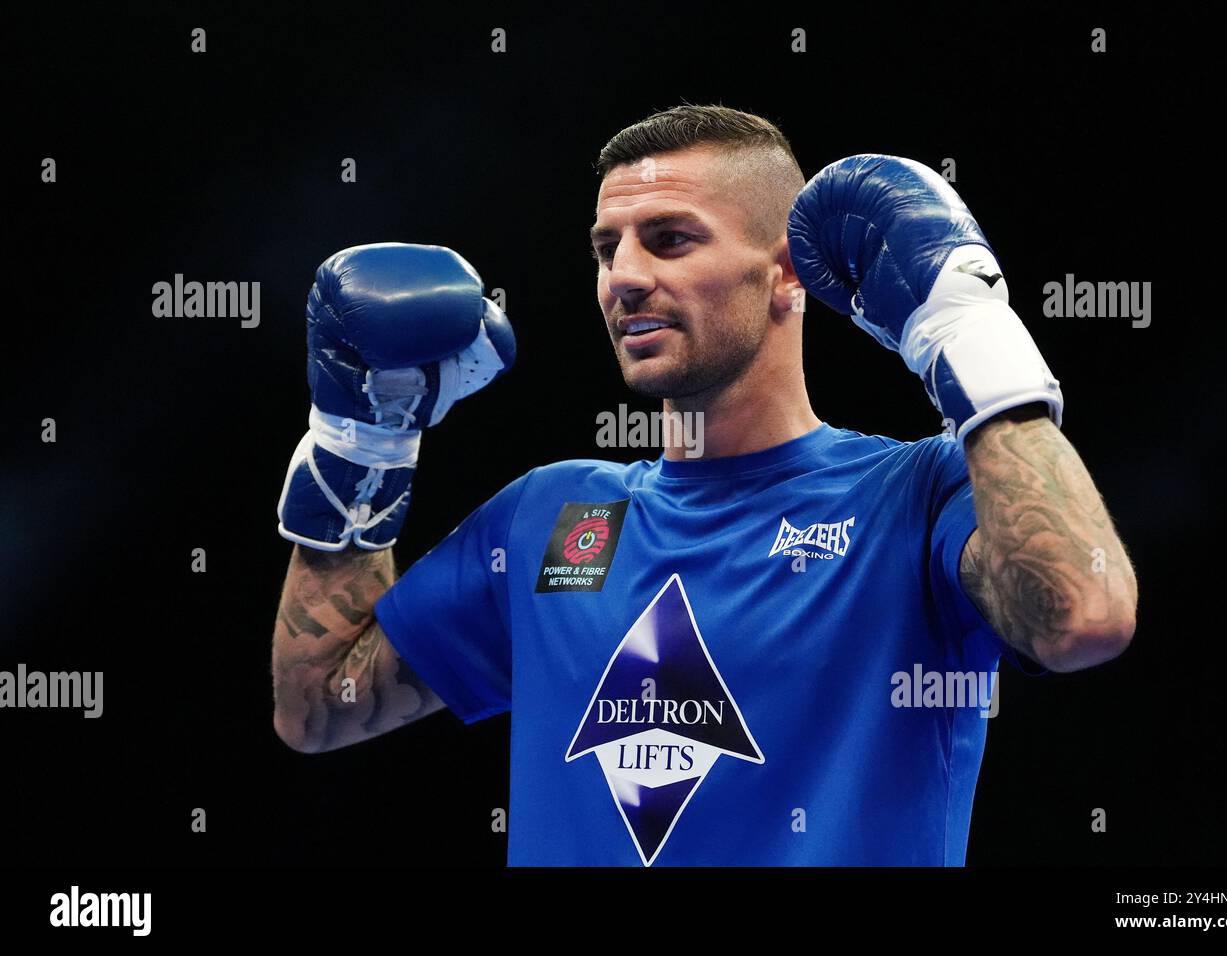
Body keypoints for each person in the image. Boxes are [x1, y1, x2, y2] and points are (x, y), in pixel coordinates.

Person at [270, 105, 1138, 866]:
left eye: (670, 239)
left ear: (787, 272)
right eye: (607, 248)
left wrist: (969, 326)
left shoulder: (916, 495)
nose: (625, 276)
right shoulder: (551, 514)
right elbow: (317, 711)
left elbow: (1083, 618)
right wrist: (362, 442)